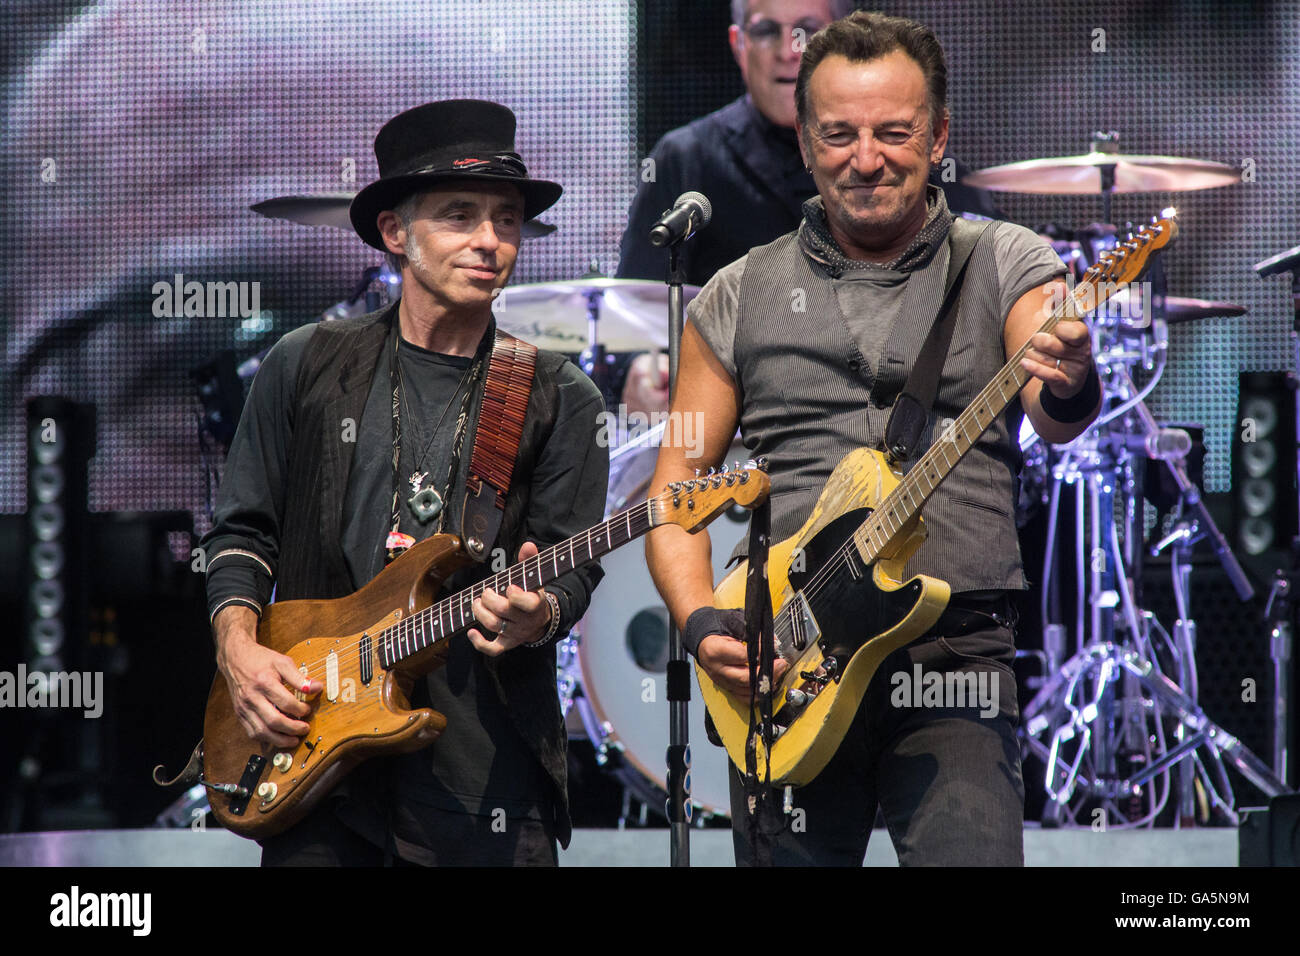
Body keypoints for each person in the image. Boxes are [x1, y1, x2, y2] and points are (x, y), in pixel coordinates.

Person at [645, 11, 1101, 866]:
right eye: (840, 135)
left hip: (951, 651)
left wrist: (1070, 374)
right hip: (788, 661)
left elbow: (1050, 407)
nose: (867, 159)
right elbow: (673, 492)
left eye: (895, 133)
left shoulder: (1007, 259)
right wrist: (704, 623)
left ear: (938, 138)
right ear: (806, 142)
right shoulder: (733, 296)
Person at [200, 100, 609, 866]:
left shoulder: (556, 395)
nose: (490, 241)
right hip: (318, 767)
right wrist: (240, 652)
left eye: (508, 219)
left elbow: (572, 565)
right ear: (396, 232)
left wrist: (542, 609)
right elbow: (241, 534)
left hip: (483, 779)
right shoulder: (305, 363)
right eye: (460, 216)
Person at [616, 0, 996, 290]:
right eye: (766, 31)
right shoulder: (684, 158)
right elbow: (635, 305)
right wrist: (641, 368)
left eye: (806, 31)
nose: (787, 51)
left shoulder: (928, 172)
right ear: (738, 43)